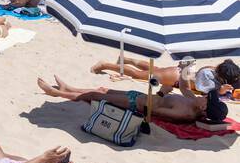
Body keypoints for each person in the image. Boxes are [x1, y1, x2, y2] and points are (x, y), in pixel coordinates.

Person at [37, 75, 230, 125]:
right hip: (139, 95)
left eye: (207, 98)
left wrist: (162, 93)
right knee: (102, 90)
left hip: (136, 104)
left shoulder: (185, 112)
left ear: (205, 107)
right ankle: (69, 89)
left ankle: (57, 94)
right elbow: (186, 87)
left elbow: (154, 111)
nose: (205, 95)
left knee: (96, 97)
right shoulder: (193, 101)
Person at [89, 57, 240, 96]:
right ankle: (105, 65)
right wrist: (219, 91)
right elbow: (201, 88)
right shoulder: (207, 75)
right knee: (138, 75)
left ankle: (128, 60)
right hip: (174, 78)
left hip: (178, 72)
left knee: (154, 69)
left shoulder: (213, 69)